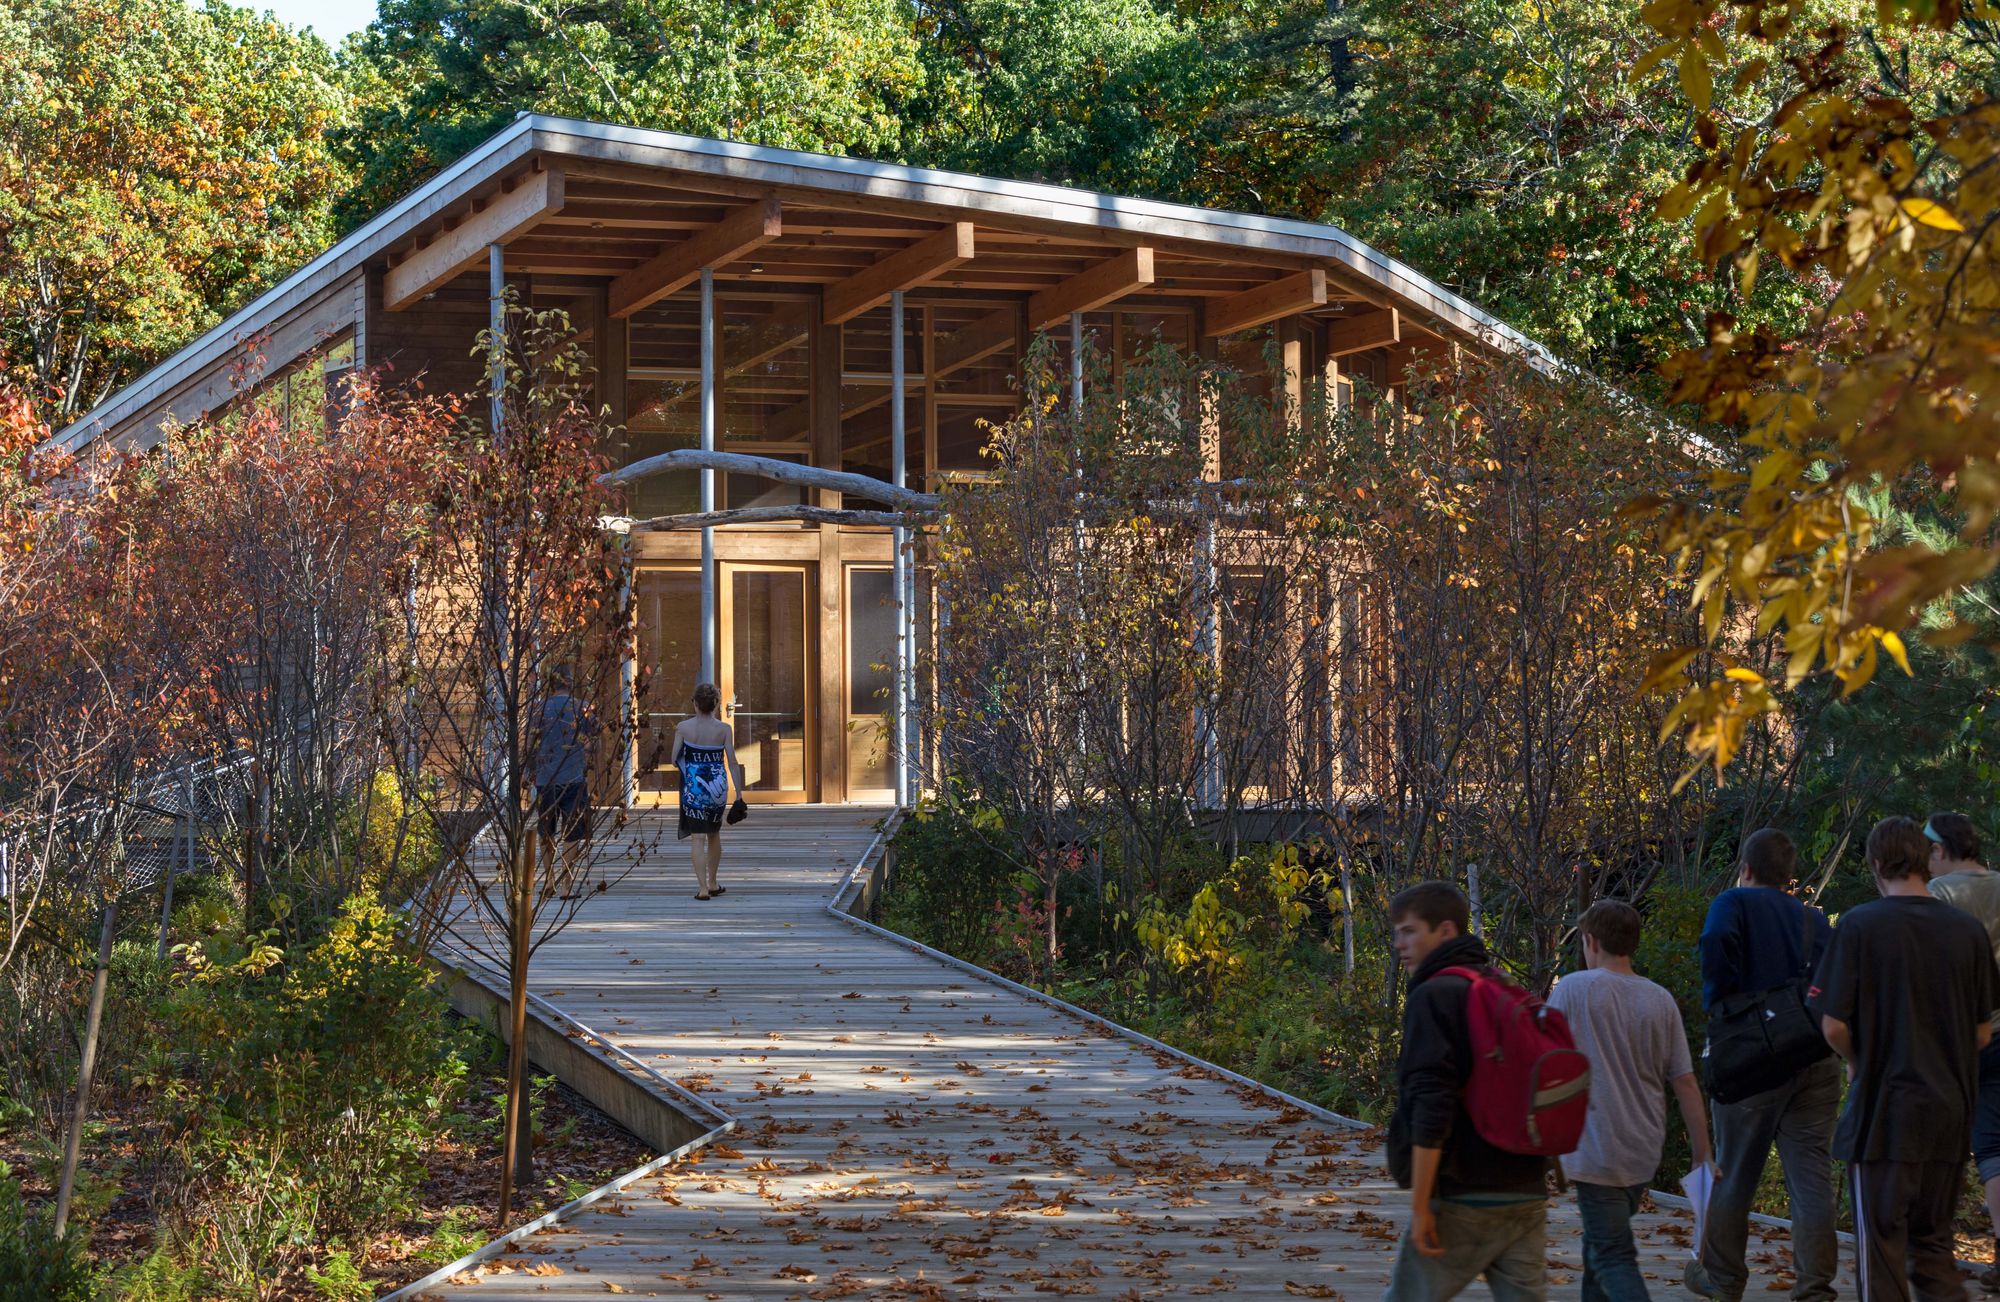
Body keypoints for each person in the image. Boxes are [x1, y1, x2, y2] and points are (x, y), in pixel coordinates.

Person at [1811, 815, 2000, 1302]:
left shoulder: (1859, 925)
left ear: (1876, 863)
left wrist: (1858, 1058)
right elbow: (1982, 1032)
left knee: (1882, 1250)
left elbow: (1833, 1025)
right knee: (1933, 1249)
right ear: (1925, 857)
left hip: (1884, 1113)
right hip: (1950, 1113)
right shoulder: (1967, 933)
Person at [1686, 828, 1839, 1302]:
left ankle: (1724, 1279)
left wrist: (1720, 1001)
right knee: (1811, 1175)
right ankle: (1815, 1288)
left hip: (1749, 1059)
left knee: (1734, 1170)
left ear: (1746, 868)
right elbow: (1836, 979)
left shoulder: (1733, 902)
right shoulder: (1814, 920)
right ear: (1789, 877)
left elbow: (1714, 941)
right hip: (1814, 1057)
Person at [1385, 880, 1549, 1302]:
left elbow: (1431, 1103)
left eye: (1409, 931)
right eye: (1396, 933)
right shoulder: (1503, 986)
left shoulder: (1435, 995)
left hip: (1465, 1194)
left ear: (1445, 931)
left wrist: (1421, 1205)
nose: (1399, 944)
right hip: (1526, 1189)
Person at [1547, 899, 1716, 1302]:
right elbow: (1686, 1082)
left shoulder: (1573, 988)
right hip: (1642, 1149)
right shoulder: (1660, 999)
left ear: (1590, 941)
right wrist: (1702, 1152)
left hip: (1594, 1147)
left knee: (1611, 1255)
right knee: (1600, 1247)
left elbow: (1541, 1057)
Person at [1924, 811, 2000, 1287]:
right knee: (1995, 1146)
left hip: (1962, 1037)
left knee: (1957, 1147)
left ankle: (1931, 1254)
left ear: (1939, 850)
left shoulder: (1940, 895)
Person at [671, 682, 744, 901]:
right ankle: (713, 882)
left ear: (694, 703)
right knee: (714, 834)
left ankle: (702, 888)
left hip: (693, 787)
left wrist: (688, 766)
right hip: (717, 788)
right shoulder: (723, 729)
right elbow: (732, 762)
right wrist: (739, 795)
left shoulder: (683, 728)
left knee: (697, 838)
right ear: (716, 705)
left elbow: (674, 758)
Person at [533, 665, 594, 869]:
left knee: (546, 830)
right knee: (573, 829)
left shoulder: (538, 709)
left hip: (545, 778)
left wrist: (528, 772)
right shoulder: (583, 708)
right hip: (574, 777)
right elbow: (590, 742)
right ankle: (566, 880)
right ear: (569, 682)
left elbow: (529, 743)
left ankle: (549, 878)